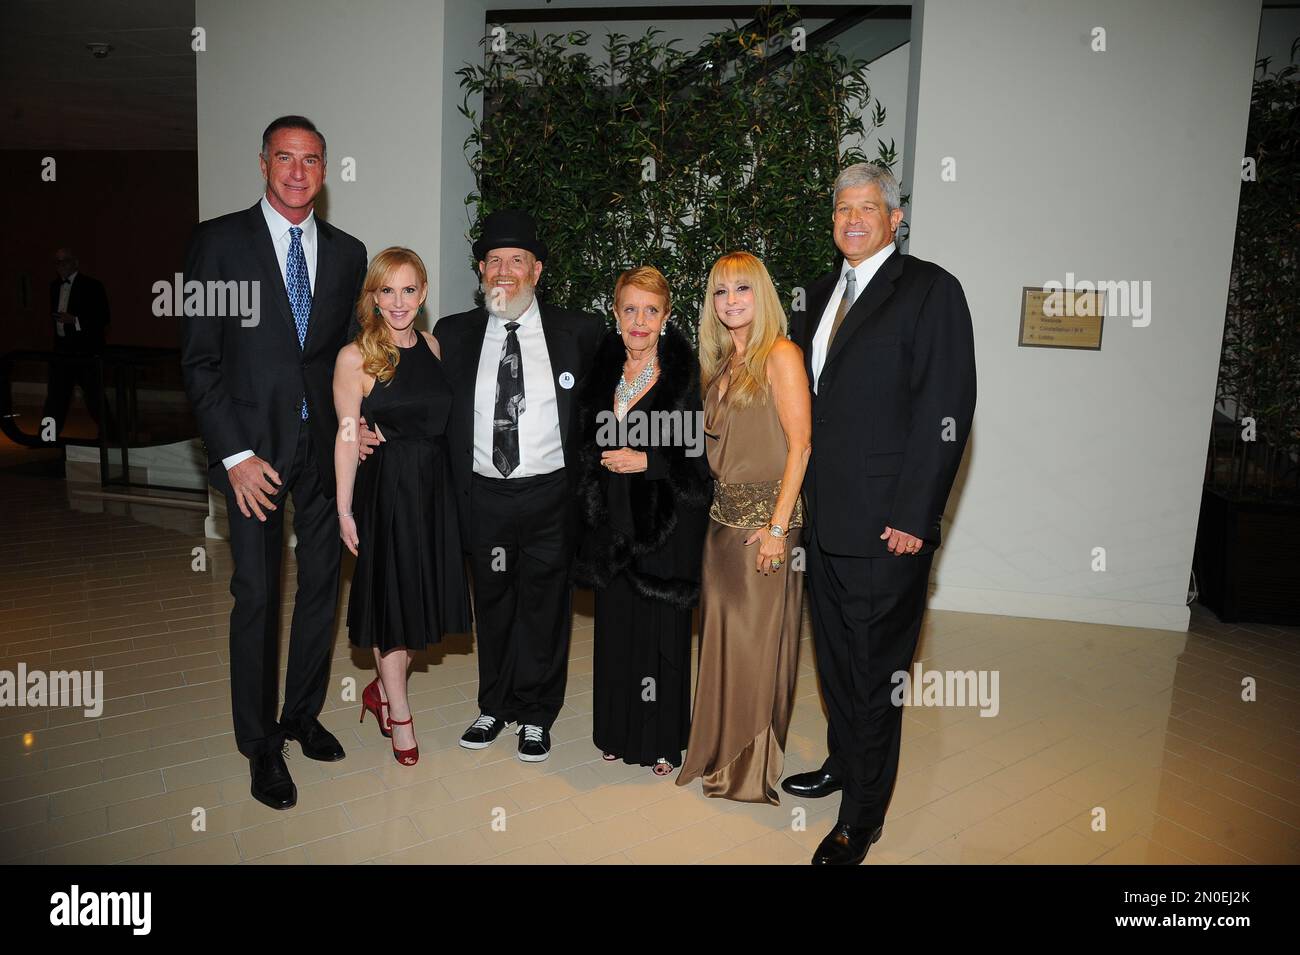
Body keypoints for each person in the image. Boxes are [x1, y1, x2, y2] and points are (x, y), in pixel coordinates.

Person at [783, 162, 976, 865]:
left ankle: (860, 817)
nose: (854, 218)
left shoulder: (930, 290)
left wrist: (915, 515)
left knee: (874, 672)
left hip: (888, 527)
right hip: (824, 520)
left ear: (896, 218)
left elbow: (946, 412)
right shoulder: (815, 293)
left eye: (869, 207)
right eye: (842, 207)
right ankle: (844, 763)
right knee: (836, 662)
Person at [361, 210, 601, 762]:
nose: (505, 271)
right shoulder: (453, 333)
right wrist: (359, 426)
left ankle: (537, 714)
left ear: (537, 270)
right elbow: (401, 384)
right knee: (492, 603)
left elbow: (607, 404)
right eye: (494, 261)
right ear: (481, 270)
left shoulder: (579, 332)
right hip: (483, 495)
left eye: (517, 261)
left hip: (550, 493)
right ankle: (494, 705)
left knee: (545, 607)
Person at [180, 115, 367, 810]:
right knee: (257, 594)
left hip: (322, 450)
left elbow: (347, 357)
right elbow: (198, 361)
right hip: (250, 456)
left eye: (311, 159)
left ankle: (302, 714)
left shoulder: (349, 253)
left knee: (322, 584)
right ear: (263, 163)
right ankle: (260, 743)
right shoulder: (217, 243)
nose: (297, 171)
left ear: (325, 169)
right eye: (284, 158)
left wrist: (357, 423)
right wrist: (233, 454)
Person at [676, 252, 812, 804]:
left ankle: (749, 768)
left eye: (742, 290)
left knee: (757, 646)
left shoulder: (780, 354)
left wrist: (778, 528)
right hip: (720, 527)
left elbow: (800, 445)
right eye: (720, 292)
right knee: (721, 642)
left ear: (763, 296)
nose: (730, 301)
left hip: (766, 528)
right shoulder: (718, 364)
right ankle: (714, 749)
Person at [333, 247, 471, 767]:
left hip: (435, 489)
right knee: (393, 605)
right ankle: (401, 713)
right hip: (388, 492)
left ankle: (381, 689)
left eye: (408, 290)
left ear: (424, 294)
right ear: (372, 296)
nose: (398, 301)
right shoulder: (356, 357)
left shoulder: (433, 346)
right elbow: (348, 435)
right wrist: (344, 509)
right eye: (386, 290)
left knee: (422, 604)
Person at [573, 266, 711, 775]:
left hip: (664, 530)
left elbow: (698, 469)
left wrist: (646, 462)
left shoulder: (683, 381)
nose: (639, 320)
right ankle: (615, 730)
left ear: (666, 316)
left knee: (661, 639)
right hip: (611, 527)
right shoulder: (602, 373)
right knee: (616, 634)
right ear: (615, 313)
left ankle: (662, 740)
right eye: (629, 308)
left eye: (651, 310)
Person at [43, 248, 113, 440]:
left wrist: (74, 320)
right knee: (56, 397)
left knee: (94, 396)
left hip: (85, 350)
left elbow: (103, 318)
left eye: (65, 261)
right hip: (62, 350)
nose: (61, 265)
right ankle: (47, 437)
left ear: (75, 262)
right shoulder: (54, 287)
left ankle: (110, 434)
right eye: (57, 262)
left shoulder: (92, 286)